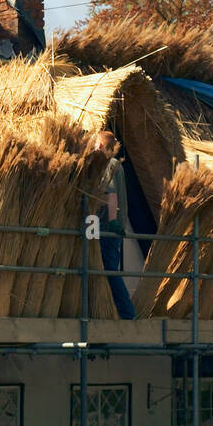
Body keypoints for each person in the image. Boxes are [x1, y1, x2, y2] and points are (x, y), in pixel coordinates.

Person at [90, 130, 137, 320]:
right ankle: (114, 313)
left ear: (100, 146)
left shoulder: (108, 164)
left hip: (106, 229)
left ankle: (126, 314)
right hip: (111, 227)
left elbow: (110, 195)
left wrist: (110, 222)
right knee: (108, 269)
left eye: (94, 146)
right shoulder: (118, 165)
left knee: (109, 270)